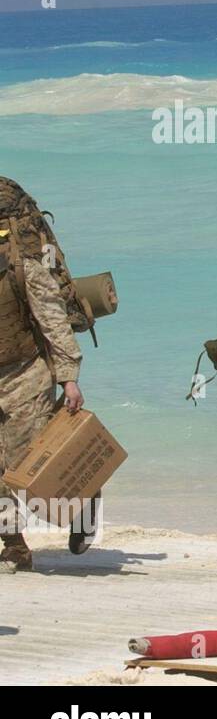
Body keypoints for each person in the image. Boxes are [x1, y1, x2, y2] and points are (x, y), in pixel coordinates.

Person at [0, 180, 86, 573]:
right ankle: (14, 545)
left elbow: (52, 317)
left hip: (24, 372)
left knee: (26, 468)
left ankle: (84, 500)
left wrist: (68, 376)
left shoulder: (20, 264)